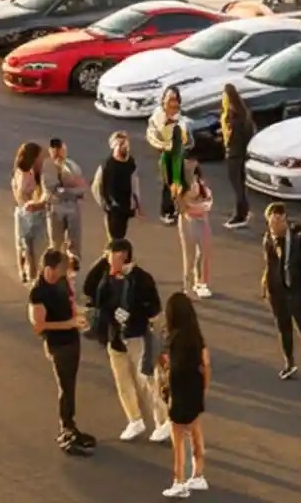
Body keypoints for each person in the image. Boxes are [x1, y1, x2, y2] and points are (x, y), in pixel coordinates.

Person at [84, 239, 170, 444]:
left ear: (123, 255)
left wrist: (156, 337)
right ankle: (134, 419)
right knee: (123, 382)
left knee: (147, 381)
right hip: (115, 338)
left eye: (110, 254)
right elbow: (90, 288)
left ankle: (164, 420)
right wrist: (102, 263)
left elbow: (155, 311)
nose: (107, 259)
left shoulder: (142, 279)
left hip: (137, 336)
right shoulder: (107, 276)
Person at [28, 249, 94, 454]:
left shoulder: (62, 281)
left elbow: (70, 303)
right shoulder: (38, 292)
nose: (63, 272)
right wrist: (69, 324)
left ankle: (70, 423)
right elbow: (39, 325)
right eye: (60, 269)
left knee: (70, 384)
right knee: (65, 387)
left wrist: (79, 316)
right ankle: (66, 425)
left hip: (72, 340)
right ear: (49, 268)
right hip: (59, 345)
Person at [262, 202, 301, 380]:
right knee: (283, 327)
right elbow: (268, 263)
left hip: (295, 288)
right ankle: (289, 362)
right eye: (271, 222)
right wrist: (266, 285)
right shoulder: (268, 238)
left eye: (277, 222)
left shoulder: (297, 239)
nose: (274, 226)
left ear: (284, 220)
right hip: (276, 290)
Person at [161, 292, 210, 497]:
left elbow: (170, 368)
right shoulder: (196, 337)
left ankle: (179, 480)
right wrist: (204, 389)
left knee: (178, 435)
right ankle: (198, 474)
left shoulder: (174, 339)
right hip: (195, 389)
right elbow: (206, 364)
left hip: (179, 391)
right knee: (195, 429)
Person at [147, 86, 192, 225]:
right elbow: (152, 135)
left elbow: (186, 135)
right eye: (169, 97)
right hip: (166, 153)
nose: (172, 101)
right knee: (168, 183)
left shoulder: (180, 116)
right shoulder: (158, 116)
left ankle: (180, 207)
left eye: (174, 98)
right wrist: (163, 146)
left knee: (182, 182)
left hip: (179, 154)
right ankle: (166, 211)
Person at [43, 137, 87, 270]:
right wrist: (70, 187)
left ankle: (72, 268)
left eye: (60, 149)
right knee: (56, 242)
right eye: (54, 150)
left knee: (74, 241)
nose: (58, 153)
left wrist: (67, 188)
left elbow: (82, 188)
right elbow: (52, 189)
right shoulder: (47, 167)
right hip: (55, 209)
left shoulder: (73, 166)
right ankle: (57, 268)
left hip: (72, 208)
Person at [91, 131, 141, 241]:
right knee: (114, 240)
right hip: (113, 210)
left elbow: (134, 183)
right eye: (121, 144)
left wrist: (137, 205)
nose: (124, 147)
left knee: (121, 236)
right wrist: (106, 205)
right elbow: (96, 187)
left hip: (126, 208)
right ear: (114, 146)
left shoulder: (131, 163)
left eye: (126, 144)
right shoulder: (107, 166)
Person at [176, 153, 214, 299]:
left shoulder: (199, 179)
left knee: (204, 252)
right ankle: (188, 286)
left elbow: (208, 197)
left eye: (193, 160)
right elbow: (182, 207)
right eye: (187, 161)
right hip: (189, 221)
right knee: (189, 255)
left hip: (202, 220)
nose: (190, 164)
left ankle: (201, 283)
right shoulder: (180, 183)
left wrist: (203, 205)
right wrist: (199, 206)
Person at [220, 84, 255, 229]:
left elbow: (233, 138)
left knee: (238, 187)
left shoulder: (234, 118)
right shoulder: (242, 114)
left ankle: (240, 215)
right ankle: (243, 211)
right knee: (239, 185)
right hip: (239, 154)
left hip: (235, 155)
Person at [13, 141, 48, 284]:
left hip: (23, 211)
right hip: (32, 214)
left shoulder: (19, 172)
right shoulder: (29, 174)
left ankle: (26, 273)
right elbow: (26, 194)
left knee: (24, 246)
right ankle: (30, 274)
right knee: (29, 247)